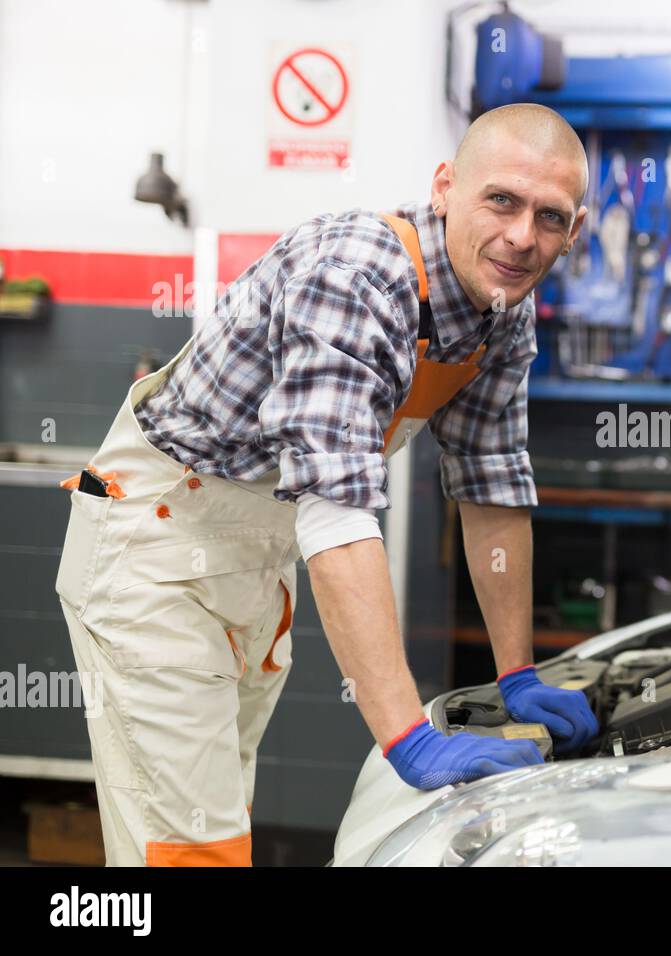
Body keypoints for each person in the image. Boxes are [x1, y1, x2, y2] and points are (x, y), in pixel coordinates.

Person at [54, 103, 599, 866]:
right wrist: (406, 735)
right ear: (445, 187)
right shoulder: (354, 275)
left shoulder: (502, 311)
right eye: (501, 200)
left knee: (210, 825)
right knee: (186, 851)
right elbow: (336, 508)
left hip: (246, 564)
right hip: (155, 549)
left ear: (573, 232)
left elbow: (492, 492)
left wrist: (516, 672)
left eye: (550, 217)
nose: (521, 236)